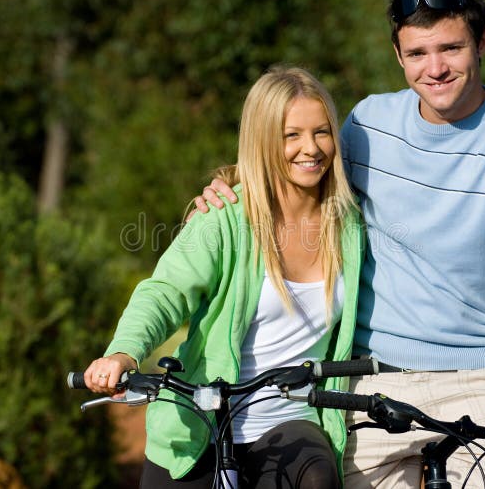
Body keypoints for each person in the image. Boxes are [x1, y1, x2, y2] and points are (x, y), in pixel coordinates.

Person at [193, 0, 485, 488]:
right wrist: (228, 187)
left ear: (482, 42)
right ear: (399, 56)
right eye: (417, 53)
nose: (434, 68)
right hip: (368, 382)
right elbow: (300, 174)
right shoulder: (368, 125)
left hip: (477, 381)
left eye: (450, 49)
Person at [84, 66, 364, 488]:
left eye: (322, 132)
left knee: (317, 477)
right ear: (263, 140)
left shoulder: (351, 228)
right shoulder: (224, 221)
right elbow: (165, 293)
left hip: (291, 425)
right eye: (292, 135)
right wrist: (124, 353)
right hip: (202, 423)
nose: (312, 148)